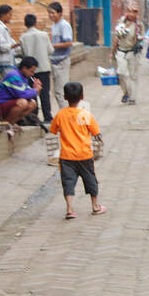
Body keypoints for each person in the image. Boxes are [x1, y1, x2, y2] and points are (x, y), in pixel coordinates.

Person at [50, 81, 107, 219]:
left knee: (68, 182)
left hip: (67, 156)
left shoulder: (60, 115)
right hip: (85, 155)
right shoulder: (86, 115)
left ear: (64, 97)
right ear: (82, 96)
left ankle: (70, 209)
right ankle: (95, 206)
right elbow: (95, 132)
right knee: (90, 180)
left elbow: (53, 130)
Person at [19, 13, 54, 123]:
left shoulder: (23, 37)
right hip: (44, 68)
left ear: (25, 24)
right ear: (35, 22)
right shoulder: (44, 35)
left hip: (30, 70)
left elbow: (23, 54)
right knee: (44, 94)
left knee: (32, 93)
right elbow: (51, 50)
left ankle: (34, 116)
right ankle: (48, 117)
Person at [0, 56, 42, 124]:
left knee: (33, 103)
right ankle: (5, 123)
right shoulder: (14, 76)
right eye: (31, 71)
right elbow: (21, 94)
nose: (32, 74)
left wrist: (35, 89)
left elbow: (29, 94)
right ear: (24, 68)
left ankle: (11, 123)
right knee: (23, 103)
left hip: (8, 106)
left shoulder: (24, 78)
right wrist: (35, 90)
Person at [112, 5, 144, 105]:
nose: (132, 14)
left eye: (134, 12)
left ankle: (133, 97)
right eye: (130, 11)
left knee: (133, 76)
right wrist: (112, 51)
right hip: (121, 50)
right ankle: (126, 92)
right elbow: (116, 38)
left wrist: (140, 39)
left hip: (132, 52)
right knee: (122, 74)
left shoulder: (139, 25)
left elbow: (142, 37)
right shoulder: (121, 22)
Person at [48, 3, 74, 116]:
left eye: (53, 13)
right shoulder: (54, 26)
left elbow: (69, 43)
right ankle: (65, 115)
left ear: (60, 13)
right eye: (49, 13)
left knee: (61, 91)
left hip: (62, 61)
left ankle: (67, 116)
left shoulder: (64, 25)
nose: (50, 15)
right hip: (54, 61)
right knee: (57, 92)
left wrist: (51, 45)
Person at [0, 5, 19, 81]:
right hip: (5, 63)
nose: (10, 17)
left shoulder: (4, 28)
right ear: (3, 15)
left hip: (9, 61)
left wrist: (18, 45)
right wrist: (14, 45)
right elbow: (3, 47)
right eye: (9, 14)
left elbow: (13, 43)